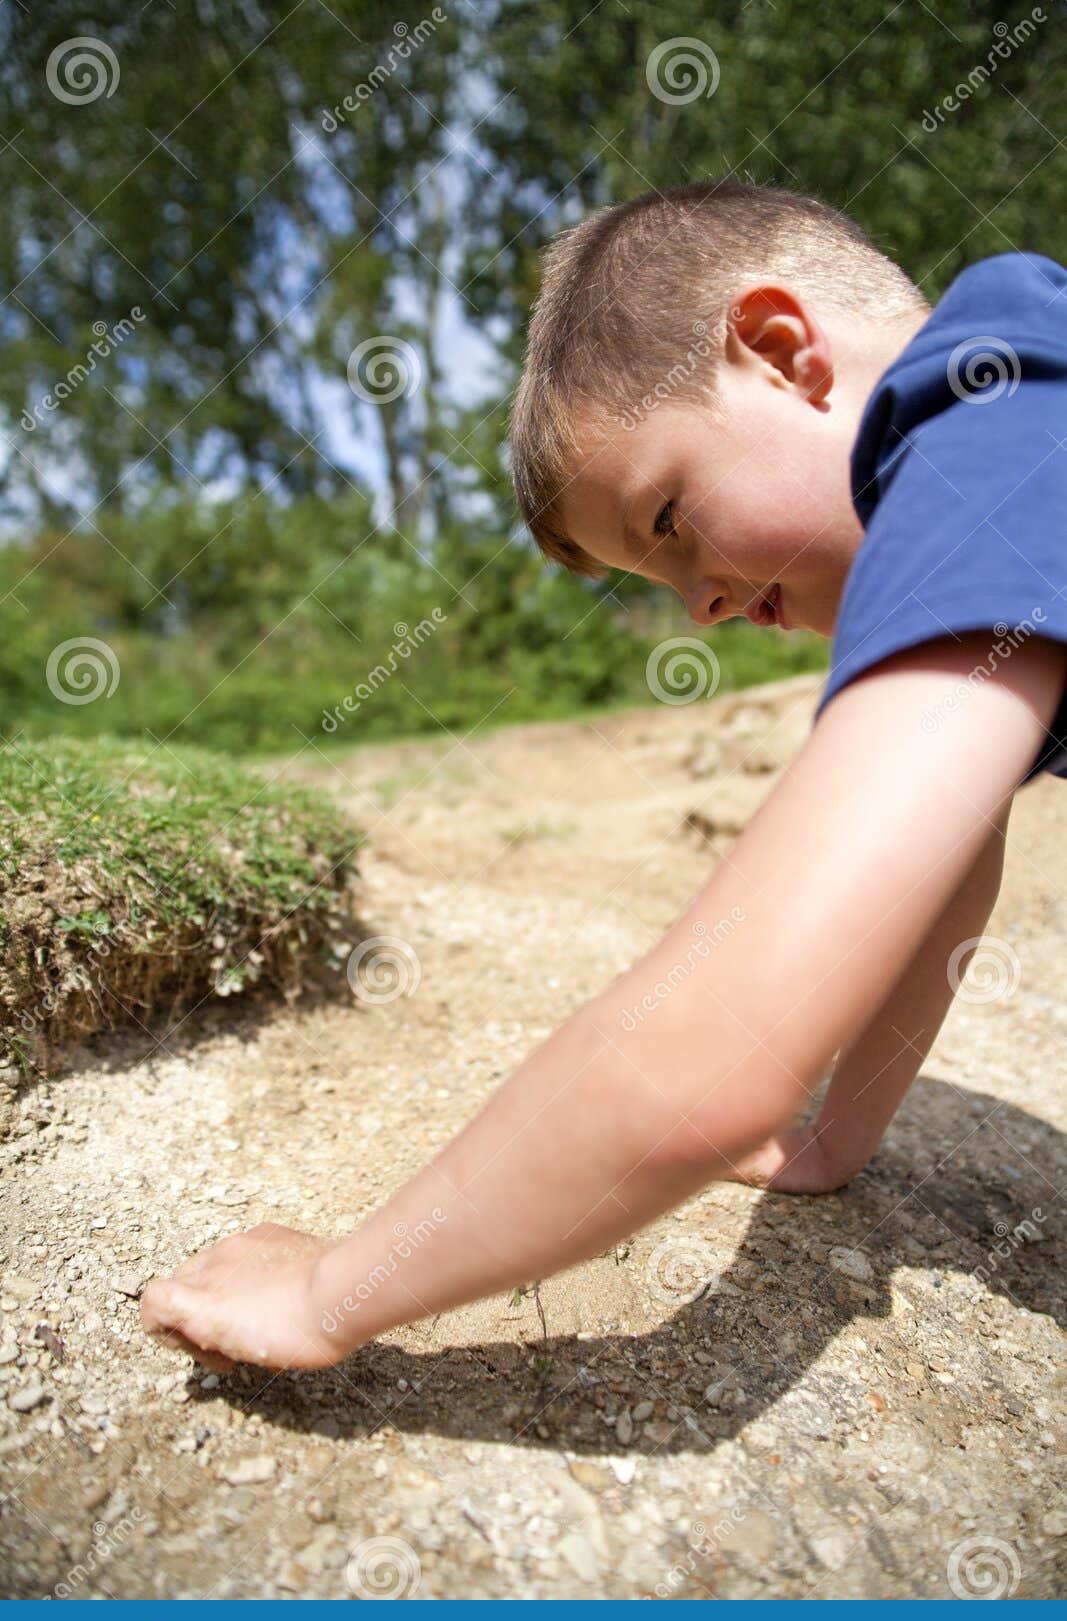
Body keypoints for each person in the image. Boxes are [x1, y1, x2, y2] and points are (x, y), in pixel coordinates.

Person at [141, 182, 1067, 1372]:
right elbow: (945, 869)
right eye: (660, 577)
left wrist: (328, 1291)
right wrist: (834, 1139)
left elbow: (713, 1048)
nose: (704, 604)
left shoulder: (998, 427)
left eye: (670, 517)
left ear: (784, 351)